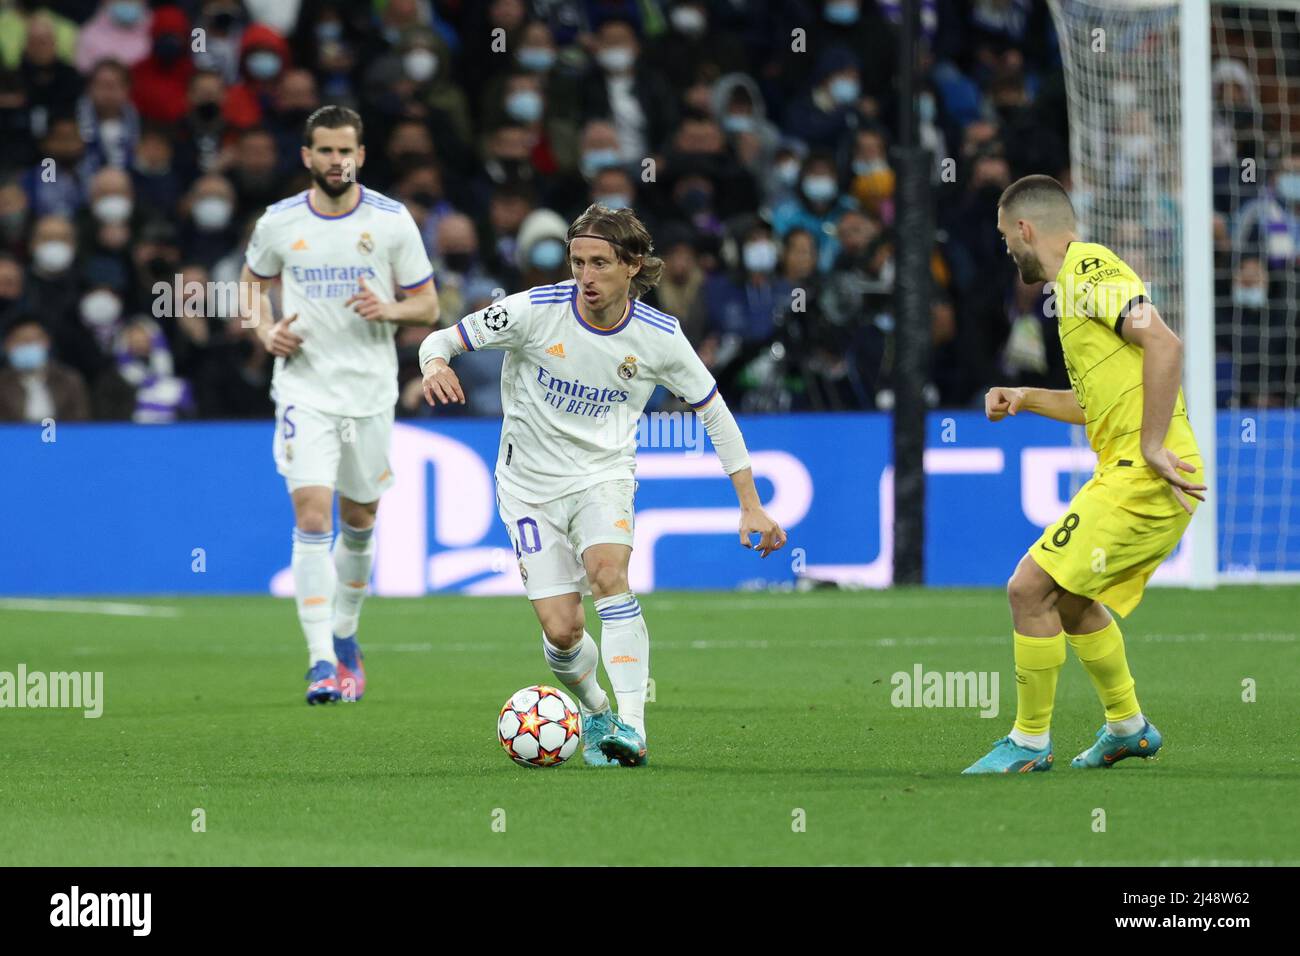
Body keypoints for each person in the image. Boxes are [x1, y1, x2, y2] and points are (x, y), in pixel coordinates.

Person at [417, 203, 787, 767]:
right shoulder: (533, 311)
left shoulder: (660, 337)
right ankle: (595, 711)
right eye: (577, 261)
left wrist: (751, 506)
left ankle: (632, 728)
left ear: (633, 265)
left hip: (603, 477)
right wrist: (434, 366)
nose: (585, 276)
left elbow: (715, 413)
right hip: (527, 486)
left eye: (599, 263)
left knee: (610, 575)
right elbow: (439, 340)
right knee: (563, 632)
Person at [966, 174, 1205, 774]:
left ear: (1025, 230)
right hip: (1139, 468)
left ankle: (1028, 743)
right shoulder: (1072, 294)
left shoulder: (1087, 269)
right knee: (1069, 600)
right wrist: (1023, 395)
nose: (1005, 250)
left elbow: (1167, 346)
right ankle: (1127, 727)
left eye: (1004, 237)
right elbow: (1093, 403)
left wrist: (1151, 444)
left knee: (1027, 588)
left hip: (1148, 470)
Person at [237, 105, 439, 705]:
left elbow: (427, 306)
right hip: (304, 388)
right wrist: (264, 331)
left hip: (369, 393)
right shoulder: (278, 223)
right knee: (311, 515)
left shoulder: (391, 221)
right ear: (306, 156)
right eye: (323, 150)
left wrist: (390, 309)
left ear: (361, 155)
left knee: (359, 523)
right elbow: (250, 287)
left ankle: (346, 635)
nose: (335, 160)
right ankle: (320, 661)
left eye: (344, 150)